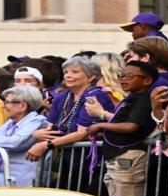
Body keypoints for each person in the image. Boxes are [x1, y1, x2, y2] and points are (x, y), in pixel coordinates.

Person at [26, 56, 116, 184]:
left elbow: (82, 133)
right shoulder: (62, 97)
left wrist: (46, 145)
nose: (68, 75)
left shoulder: (95, 95)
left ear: (90, 77)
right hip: (68, 160)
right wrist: (38, 134)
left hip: (93, 161)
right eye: (66, 72)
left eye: (75, 72)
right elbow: (50, 129)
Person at [83, 62, 158, 196]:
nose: (123, 80)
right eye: (121, 76)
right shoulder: (131, 98)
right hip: (117, 157)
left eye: (129, 76)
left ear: (147, 80)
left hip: (128, 156)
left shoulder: (143, 100)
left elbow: (131, 126)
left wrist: (102, 125)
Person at [0, 85, 48, 187]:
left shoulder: (37, 120)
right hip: (2, 178)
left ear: (23, 106)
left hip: (24, 182)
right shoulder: (10, 123)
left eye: (7, 102)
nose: (3, 106)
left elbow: (14, 141)